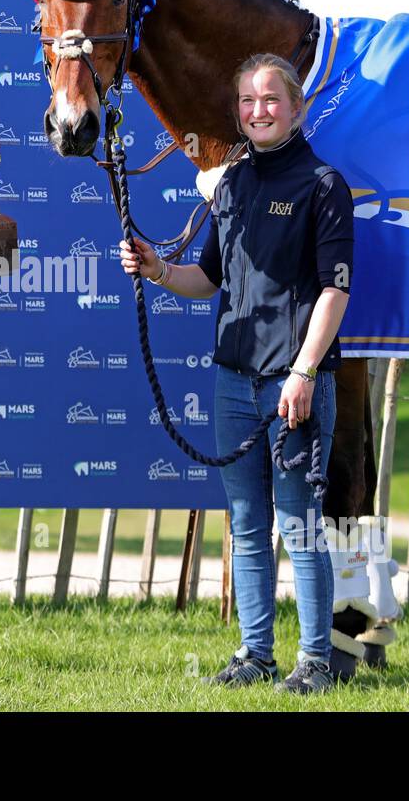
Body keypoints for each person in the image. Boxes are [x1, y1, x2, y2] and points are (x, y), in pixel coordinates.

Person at [120, 53, 354, 695]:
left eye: (271, 99)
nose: (258, 110)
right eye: (248, 100)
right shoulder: (232, 185)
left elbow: (335, 293)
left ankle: (317, 661)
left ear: (297, 107)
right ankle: (257, 654)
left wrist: (305, 373)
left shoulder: (324, 185)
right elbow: (210, 278)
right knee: (248, 524)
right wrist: (158, 269)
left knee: (299, 521)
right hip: (232, 382)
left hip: (294, 383)